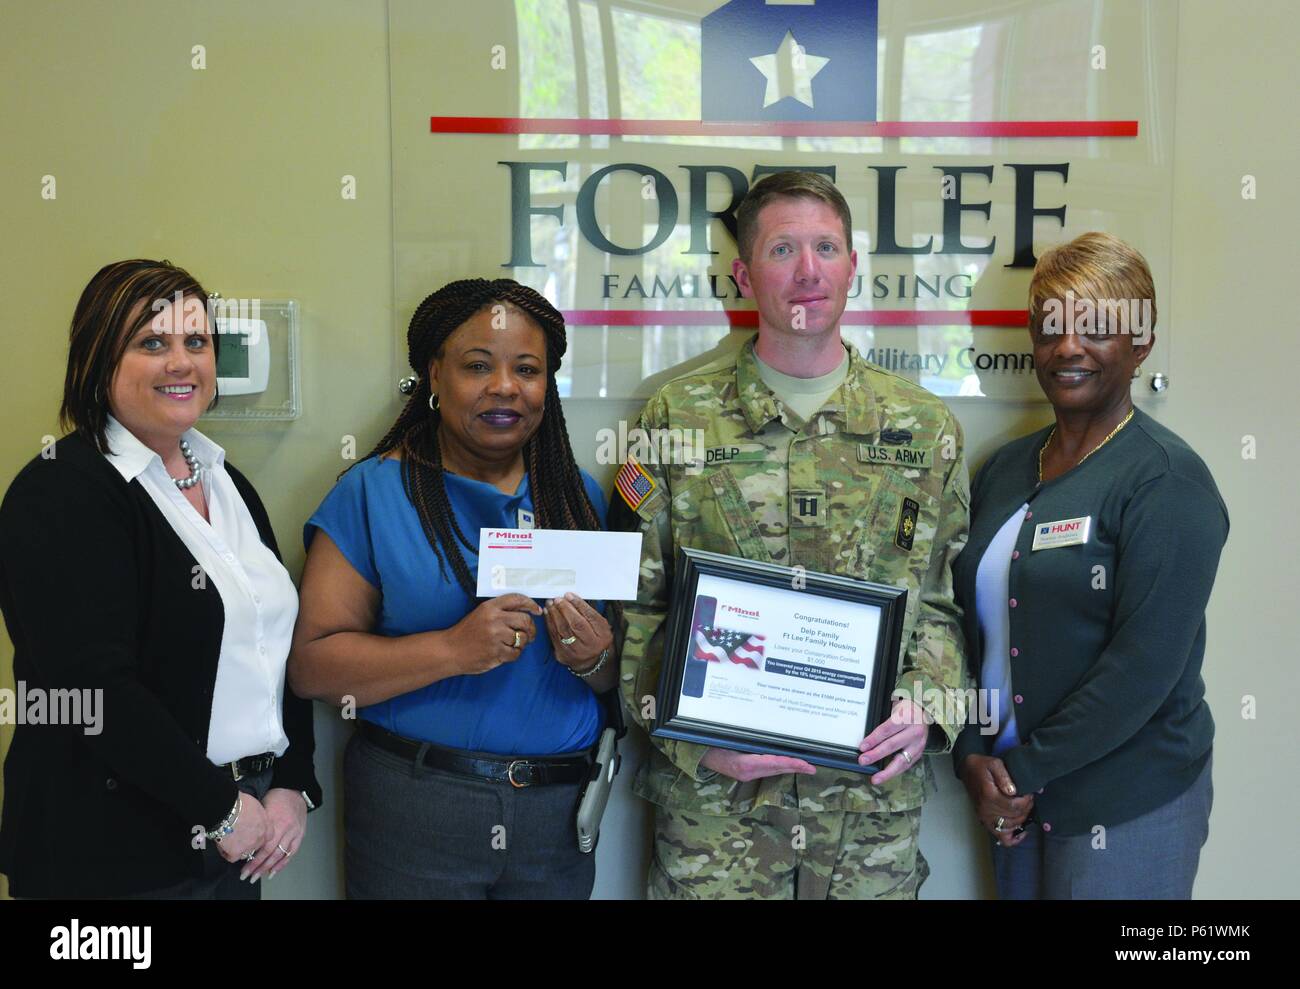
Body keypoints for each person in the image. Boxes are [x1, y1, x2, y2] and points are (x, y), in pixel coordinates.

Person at [612, 171, 971, 899]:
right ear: (744, 274)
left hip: (865, 820)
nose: (808, 271)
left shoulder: (923, 428)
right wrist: (694, 739)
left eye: (826, 247)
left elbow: (939, 606)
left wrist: (928, 707)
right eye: (782, 249)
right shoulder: (674, 420)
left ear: (853, 266)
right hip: (718, 827)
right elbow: (635, 609)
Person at [0, 259, 321, 899]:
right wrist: (219, 808)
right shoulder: (62, 489)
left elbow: (270, 641)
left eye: (195, 342)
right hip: (113, 848)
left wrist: (291, 782)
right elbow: (90, 690)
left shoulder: (227, 483)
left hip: (242, 832)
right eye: (153, 343)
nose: (182, 362)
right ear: (97, 359)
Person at [290, 278, 615, 900]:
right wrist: (453, 651)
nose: (505, 387)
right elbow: (311, 669)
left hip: (558, 816)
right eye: (476, 366)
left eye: (528, 369)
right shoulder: (372, 492)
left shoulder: (577, 496)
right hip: (420, 806)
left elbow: (610, 677)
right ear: (434, 376)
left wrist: (595, 660)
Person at [952, 232, 1227, 899]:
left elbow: (1143, 668)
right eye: (1050, 328)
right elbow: (964, 628)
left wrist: (1018, 772)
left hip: (1126, 802)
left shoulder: (1166, 480)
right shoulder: (1004, 469)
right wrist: (970, 757)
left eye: (1097, 328)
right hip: (1012, 802)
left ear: (1141, 345)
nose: (1067, 347)